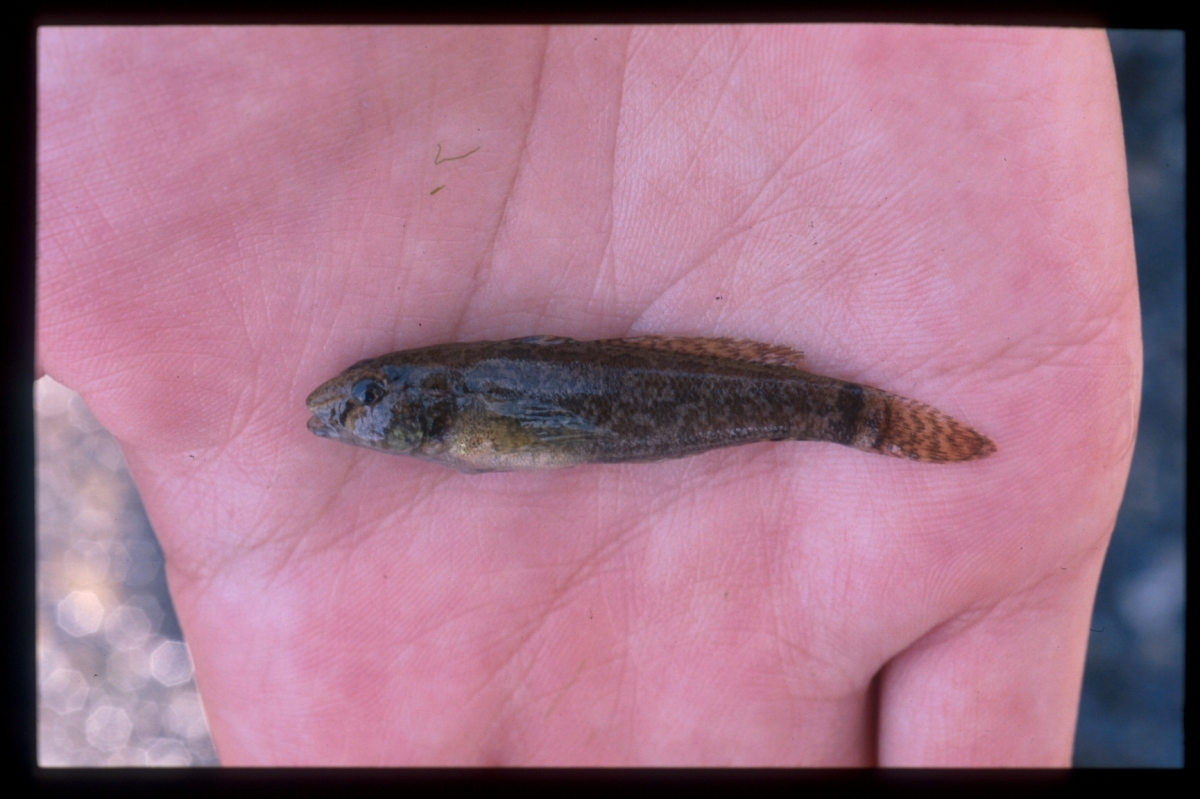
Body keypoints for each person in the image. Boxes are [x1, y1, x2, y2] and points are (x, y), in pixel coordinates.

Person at [36, 25, 1140, 766]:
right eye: (358, 402)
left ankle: (859, 420)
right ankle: (858, 419)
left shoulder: (452, 410)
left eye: (364, 399)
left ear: (416, 403)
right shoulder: (444, 407)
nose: (342, 414)